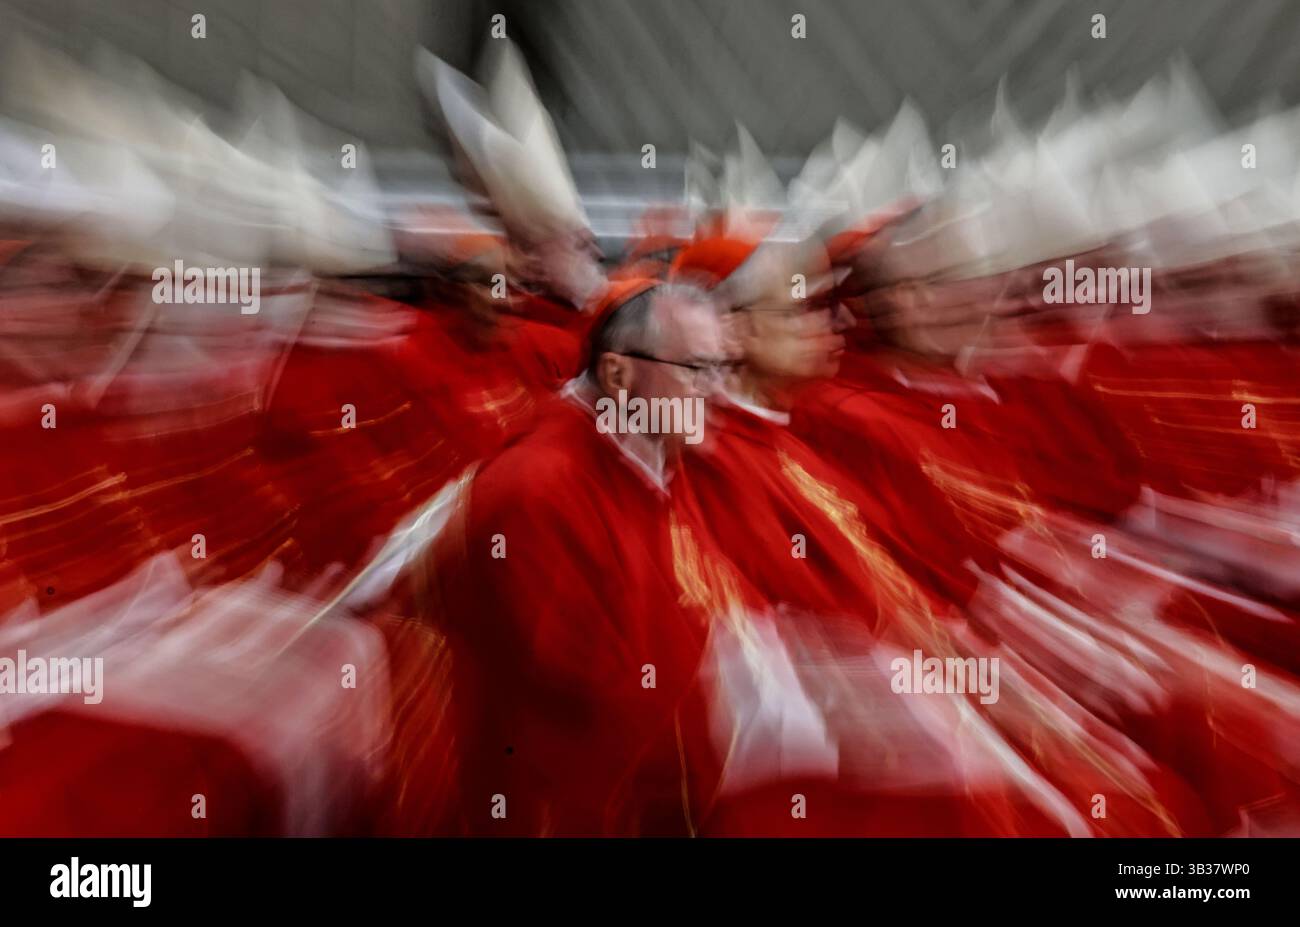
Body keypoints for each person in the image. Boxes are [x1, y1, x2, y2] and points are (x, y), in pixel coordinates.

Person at [421, 280, 740, 835]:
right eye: (697, 370)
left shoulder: (647, 448)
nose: (719, 392)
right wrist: (754, 723)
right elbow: (588, 700)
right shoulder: (539, 490)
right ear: (619, 376)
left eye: (723, 368)